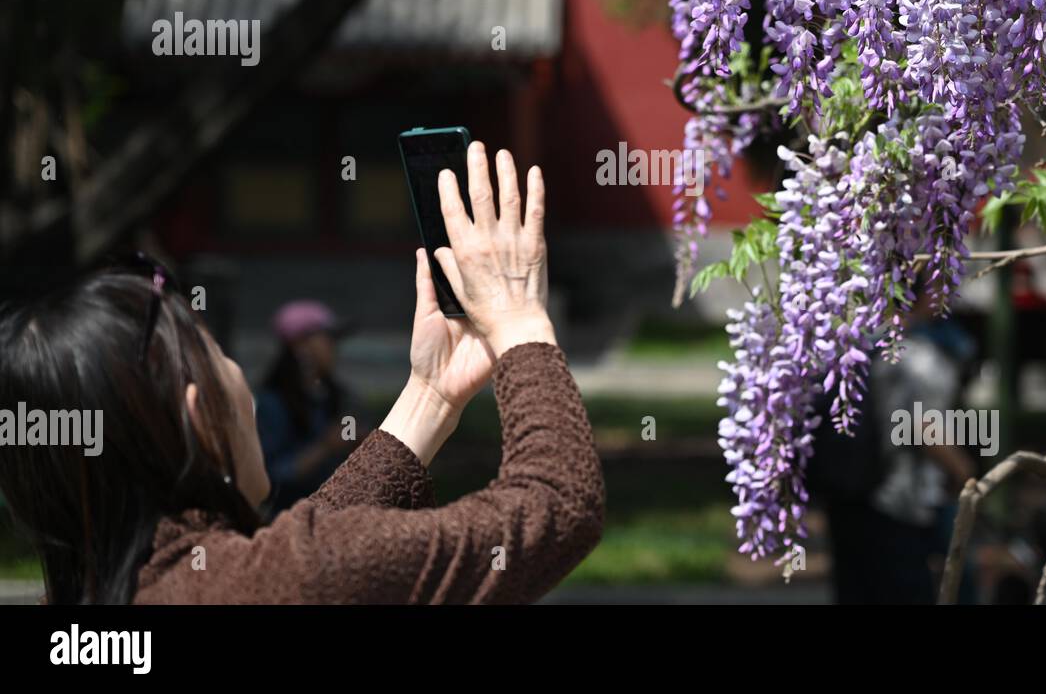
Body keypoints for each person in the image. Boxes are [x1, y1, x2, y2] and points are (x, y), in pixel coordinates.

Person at [0, 144, 604, 604]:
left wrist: (430, 397)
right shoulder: (271, 583)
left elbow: (303, 558)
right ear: (196, 416)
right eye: (217, 357)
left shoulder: (108, 584)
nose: (245, 388)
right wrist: (522, 320)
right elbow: (558, 504)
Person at [808, 294, 978, 604]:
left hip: (848, 493)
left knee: (857, 591)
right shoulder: (918, 354)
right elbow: (921, 427)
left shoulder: (860, 343)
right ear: (925, 296)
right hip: (897, 503)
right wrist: (962, 470)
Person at [256, 299, 364, 513]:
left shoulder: (336, 395)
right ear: (301, 345)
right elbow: (272, 476)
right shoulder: (273, 402)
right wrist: (325, 447)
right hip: (289, 519)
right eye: (328, 339)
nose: (334, 348)